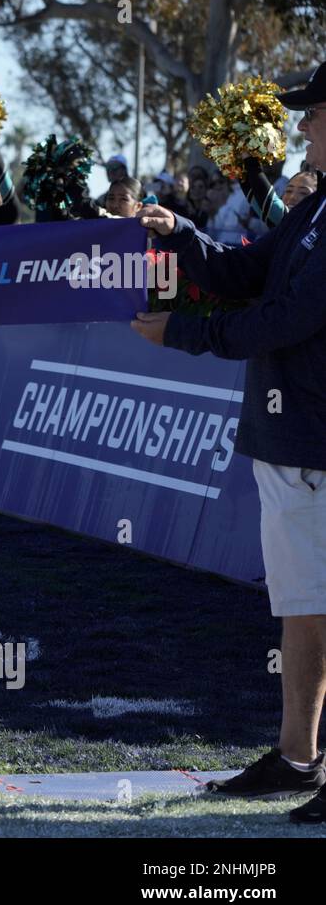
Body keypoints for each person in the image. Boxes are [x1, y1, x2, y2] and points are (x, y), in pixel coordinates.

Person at [130, 61, 326, 824]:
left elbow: (289, 319)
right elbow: (250, 271)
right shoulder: (315, 209)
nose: (302, 124)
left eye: (313, 113)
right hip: (294, 439)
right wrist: (179, 234)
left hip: (315, 438)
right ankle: (297, 756)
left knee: (315, 605)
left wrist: (187, 333)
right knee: (305, 607)